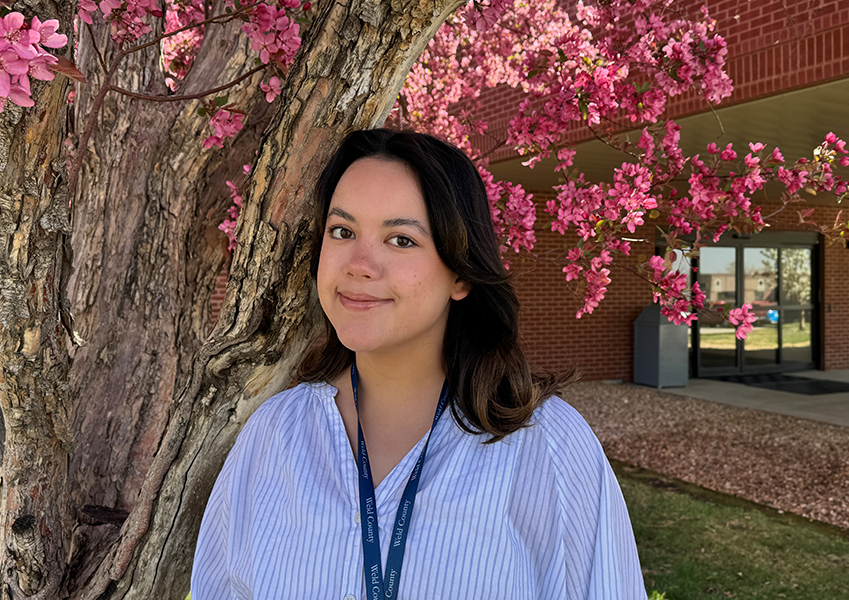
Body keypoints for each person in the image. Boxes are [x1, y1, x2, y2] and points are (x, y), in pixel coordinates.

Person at [191, 129, 646, 599]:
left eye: (401, 239)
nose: (360, 264)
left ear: (461, 275)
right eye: (342, 231)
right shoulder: (272, 437)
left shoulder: (547, 447)